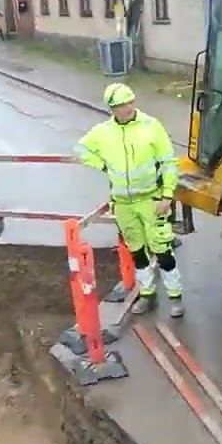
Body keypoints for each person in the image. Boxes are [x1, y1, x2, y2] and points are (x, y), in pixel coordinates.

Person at [76, 82, 183, 317]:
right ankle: (147, 294)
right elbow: (81, 149)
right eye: (121, 105)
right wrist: (102, 165)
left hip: (152, 200)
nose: (127, 108)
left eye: (130, 103)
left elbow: (169, 163)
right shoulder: (103, 132)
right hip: (123, 204)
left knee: (162, 249)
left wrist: (167, 195)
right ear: (111, 109)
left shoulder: (151, 126)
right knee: (137, 251)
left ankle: (175, 297)